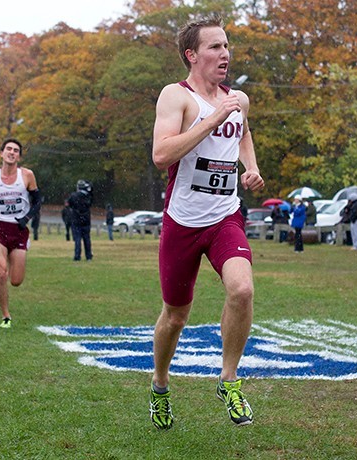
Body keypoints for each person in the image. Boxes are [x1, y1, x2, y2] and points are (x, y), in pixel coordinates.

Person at [148, 17, 265, 430]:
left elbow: (243, 134)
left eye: (227, 46)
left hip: (224, 217)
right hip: (182, 222)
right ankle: (160, 385)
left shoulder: (238, 99)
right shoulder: (175, 98)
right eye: (215, 47)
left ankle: (229, 381)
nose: (225, 54)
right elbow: (162, 155)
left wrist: (250, 167)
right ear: (192, 55)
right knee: (175, 316)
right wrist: (211, 119)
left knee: (243, 289)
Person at [0, 138, 41, 329]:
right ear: (1, 153)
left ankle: (10, 262)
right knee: (1, 273)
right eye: (8, 149)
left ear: (19, 156)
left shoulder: (27, 175)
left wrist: (26, 218)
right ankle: (6, 315)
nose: (12, 152)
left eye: (16, 150)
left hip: (19, 231)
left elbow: (38, 202)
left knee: (16, 281)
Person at [68, 180, 93, 261]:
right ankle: (88, 255)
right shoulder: (88, 196)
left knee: (77, 238)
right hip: (86, 219)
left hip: (76, 219)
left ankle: (77, 255)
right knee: (87, 238)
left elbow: (70, 204)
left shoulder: (74, 196)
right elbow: (90, 204)